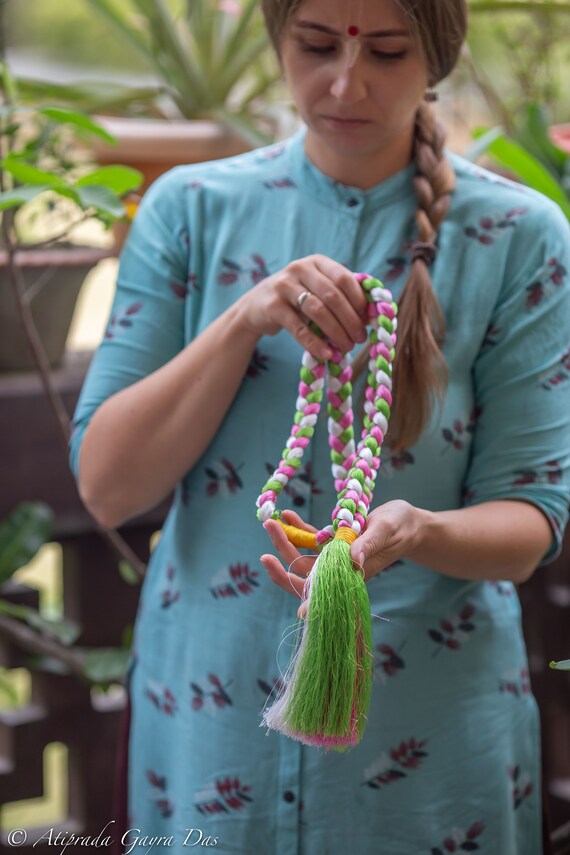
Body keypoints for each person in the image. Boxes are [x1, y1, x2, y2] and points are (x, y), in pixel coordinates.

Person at [69, 0, 570, 851]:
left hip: (429, 728)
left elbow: (533, 519)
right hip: (211, 711)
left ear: (437, 59)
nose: (345, 82)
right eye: (313, 45)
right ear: (278, 40)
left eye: (385, 50)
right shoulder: (187, 210)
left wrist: (417, 529)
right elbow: (109, 484)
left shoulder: (518, 237)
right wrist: (242, 320)